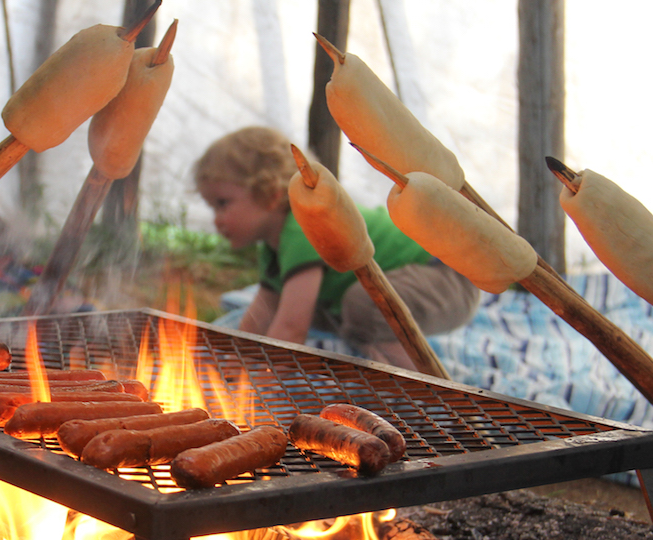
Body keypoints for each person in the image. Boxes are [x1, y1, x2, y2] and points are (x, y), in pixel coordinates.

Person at [193, 126, 480, 369]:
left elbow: (292, 327)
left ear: (269, 193)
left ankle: (418, 380)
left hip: (447, 279)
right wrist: (231, 361)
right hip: (412, 286)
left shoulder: (304, 224)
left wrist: (259, 383)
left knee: (362, 305)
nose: (216, 219)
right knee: (324, 305)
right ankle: (377, 340)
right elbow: (265, 309)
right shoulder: (273, 243)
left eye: (222, 204)